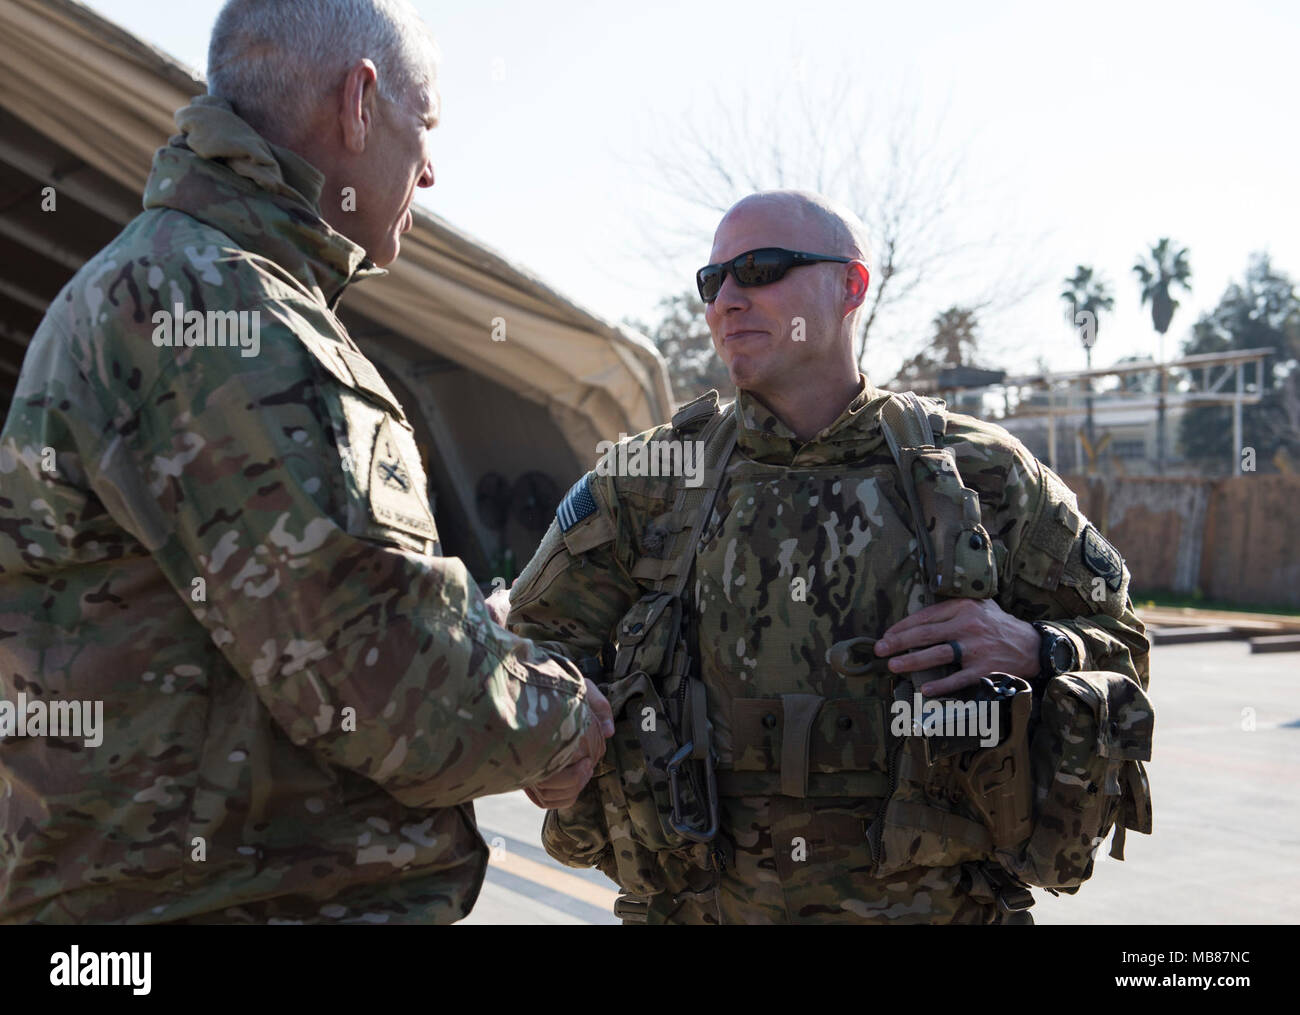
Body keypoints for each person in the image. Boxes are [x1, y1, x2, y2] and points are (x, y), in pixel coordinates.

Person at [0, 0, 610, 925]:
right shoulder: (229, 314)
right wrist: (564, 716)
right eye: (426, 129)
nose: (431, 171)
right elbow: (383, 680)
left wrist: (455, 628)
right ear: (360, 103)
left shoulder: (172, 281)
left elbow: (296, 616)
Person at [506, 189, 1151, 924]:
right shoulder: (648, 482)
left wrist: (1037, 646)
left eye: (760, 268)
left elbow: (1123, 646)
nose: (727, 299)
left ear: (851, 286)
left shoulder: (984, 475)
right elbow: (529, 649)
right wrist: (552, 739)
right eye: (712, 281)